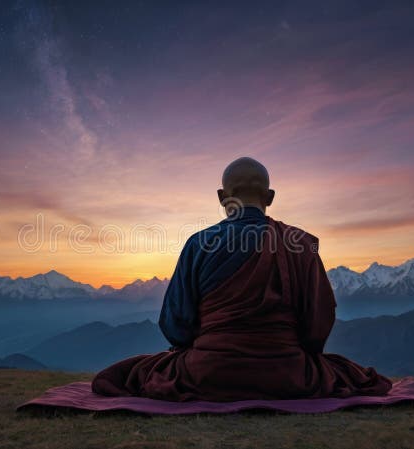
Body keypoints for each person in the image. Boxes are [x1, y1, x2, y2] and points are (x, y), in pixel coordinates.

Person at [92, 157, 392, 401]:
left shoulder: (200, 244)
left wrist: (207, 345)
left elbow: (176, 327)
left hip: (206, 373)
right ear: (270, 197)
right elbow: (317, 325)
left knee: (129, 372)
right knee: (347, 372)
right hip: (289, 374)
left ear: (222, 197)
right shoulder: (298, 244)